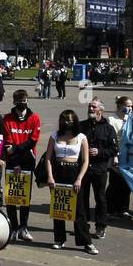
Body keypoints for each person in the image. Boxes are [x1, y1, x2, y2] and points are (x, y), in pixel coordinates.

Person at [45, 108, 95, 253]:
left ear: (75, 121)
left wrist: (79, 178)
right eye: (64, 119)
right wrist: (50, 176)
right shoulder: (55, 136)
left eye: (70, 120)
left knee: (79, 210)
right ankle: (59, 239)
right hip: (58, 171)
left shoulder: (81, 137)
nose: (67, 122)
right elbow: (48, 158)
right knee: (58, 207)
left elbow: (85, 160)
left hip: (74, 172)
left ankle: (86, 242)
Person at [0, 90, 41, 242]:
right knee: (11, 196)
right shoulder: (7, 119)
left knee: (25, 197)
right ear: (14, 101)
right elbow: (7, 142)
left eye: (24, 100)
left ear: (27, 100)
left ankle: (23, 227)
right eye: (19, 100)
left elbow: (33, 140)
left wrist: (16, 150)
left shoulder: (35, 118)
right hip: (12, 161)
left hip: (28, 161)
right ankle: (14, 228)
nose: (22, 103)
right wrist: (15, 162)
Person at [79, 100, 118, 241]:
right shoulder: (81, 126)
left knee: (100, 198)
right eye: (89, 106)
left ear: (100, 110)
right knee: (82, 197)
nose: (90, 108)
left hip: (99, 169)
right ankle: (84, 224)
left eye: (93, 106)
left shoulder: (108, 128)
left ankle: (101, 226)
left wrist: (100, 151)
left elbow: (114, 149)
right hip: (83, 168)